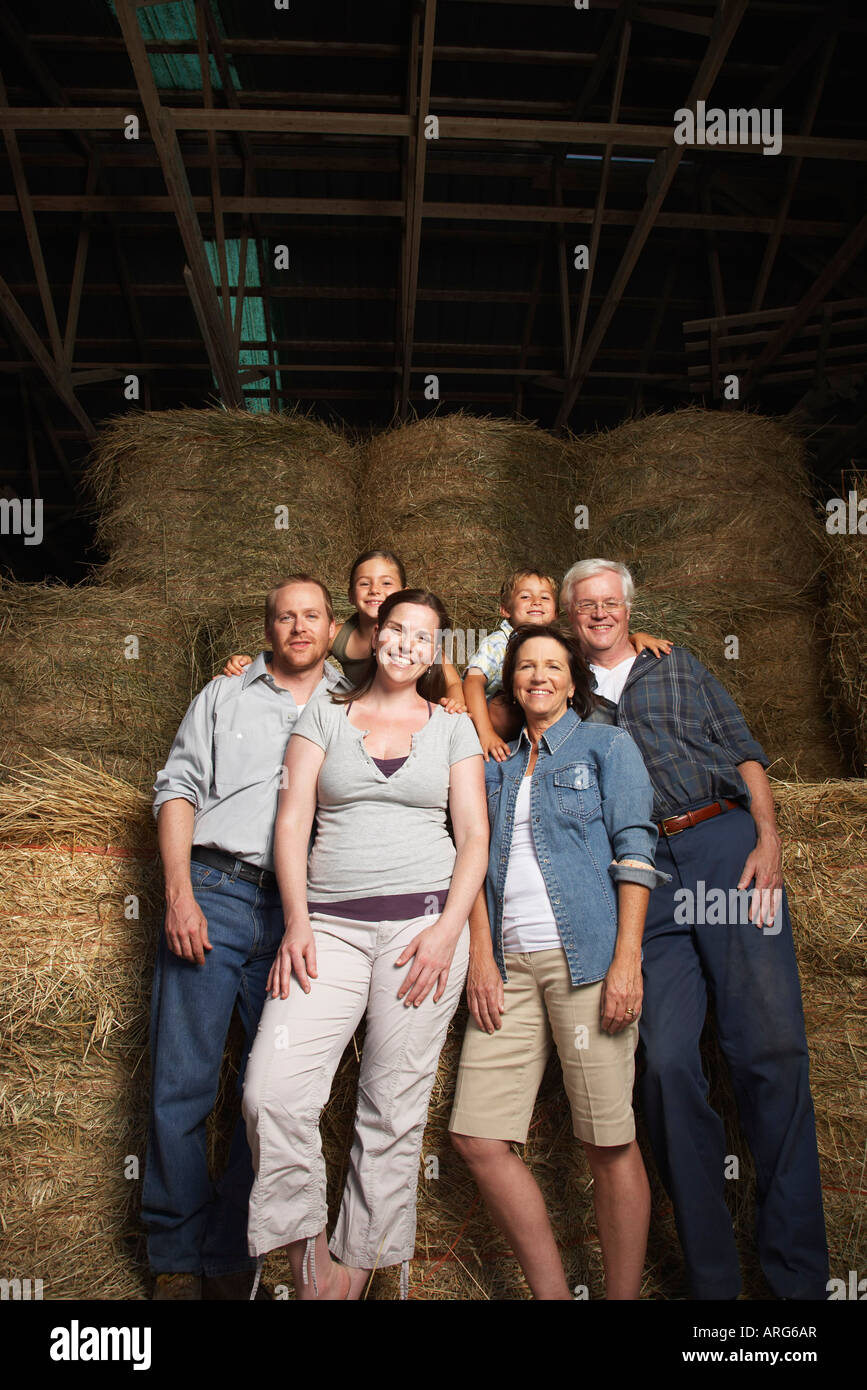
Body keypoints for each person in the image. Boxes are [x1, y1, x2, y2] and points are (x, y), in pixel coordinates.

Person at [561, 557, 829, 1300]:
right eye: (585, 604)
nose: (600, 612)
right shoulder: (561, 693)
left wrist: (766, 837)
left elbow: (741, 747)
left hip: (721, 847)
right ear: (568, 615)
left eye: (610, 601)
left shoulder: (677, 665)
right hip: (642, 877)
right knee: (664, 1065)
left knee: (770, 1051)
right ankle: (713, 1289)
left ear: (627, 606)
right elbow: (488, 689)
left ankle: (799, 1283)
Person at [242, 588, 488, 1300]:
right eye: (397, 630)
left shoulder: (451, 727)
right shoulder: (325, 712)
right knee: (270, 1093)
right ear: (375, 635)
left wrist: (447, 931)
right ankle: (310, 1263)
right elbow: (291, 823)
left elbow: (473, 838)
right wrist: (295, 921)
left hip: (423, 932)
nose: (407, 644)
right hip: (329, 929)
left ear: (435, 652)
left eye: (423, 637)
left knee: (391, 1110)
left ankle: (346, 1284)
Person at [143, 576, 348, 1300]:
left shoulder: (355, 704)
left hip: (301, 917)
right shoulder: (224, 694)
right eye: (284, 617)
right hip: (216, 891)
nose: (298, 627)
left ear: (334, 627)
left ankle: (228, 1252)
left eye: (311, 616)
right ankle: (172, 1254)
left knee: (275, 1093)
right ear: (268, 630)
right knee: (183, 1082)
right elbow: (177, 790)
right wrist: (178, 896)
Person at [449, 624, 667, 1300]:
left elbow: (635, 850)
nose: (537, 676)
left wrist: (626, 960)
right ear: (509, 683)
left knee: (606, 1142)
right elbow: (474, 863)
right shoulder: (495, 767)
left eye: (551, 666)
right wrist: (480, 957)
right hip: (508, 969)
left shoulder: (608, 745)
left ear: (574, 681)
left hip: (588, 961)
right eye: (524, 667)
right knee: (477, 1137)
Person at [462, 567, 672, 762]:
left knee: (595, 708)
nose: (536, 602)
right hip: (509, 713)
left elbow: (598, 643)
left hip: (549, 711)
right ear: (505, 610)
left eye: (544, 597)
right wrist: (486, 732)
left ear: (555, 612)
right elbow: (472, 682)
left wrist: (635, 638)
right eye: (525, 597)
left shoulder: (562, 641)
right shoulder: (498, 642)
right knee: (501, 709)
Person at [222, 548, 465, 698]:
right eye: (364, 584)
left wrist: (457, 704)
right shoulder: (337, 635)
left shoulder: (416, 639)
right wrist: (250, 663)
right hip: (367, 707)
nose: (375, 591)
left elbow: (453, 681)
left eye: (386, 583)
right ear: (350, 595)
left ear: (404, 593)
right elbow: (297, 650)